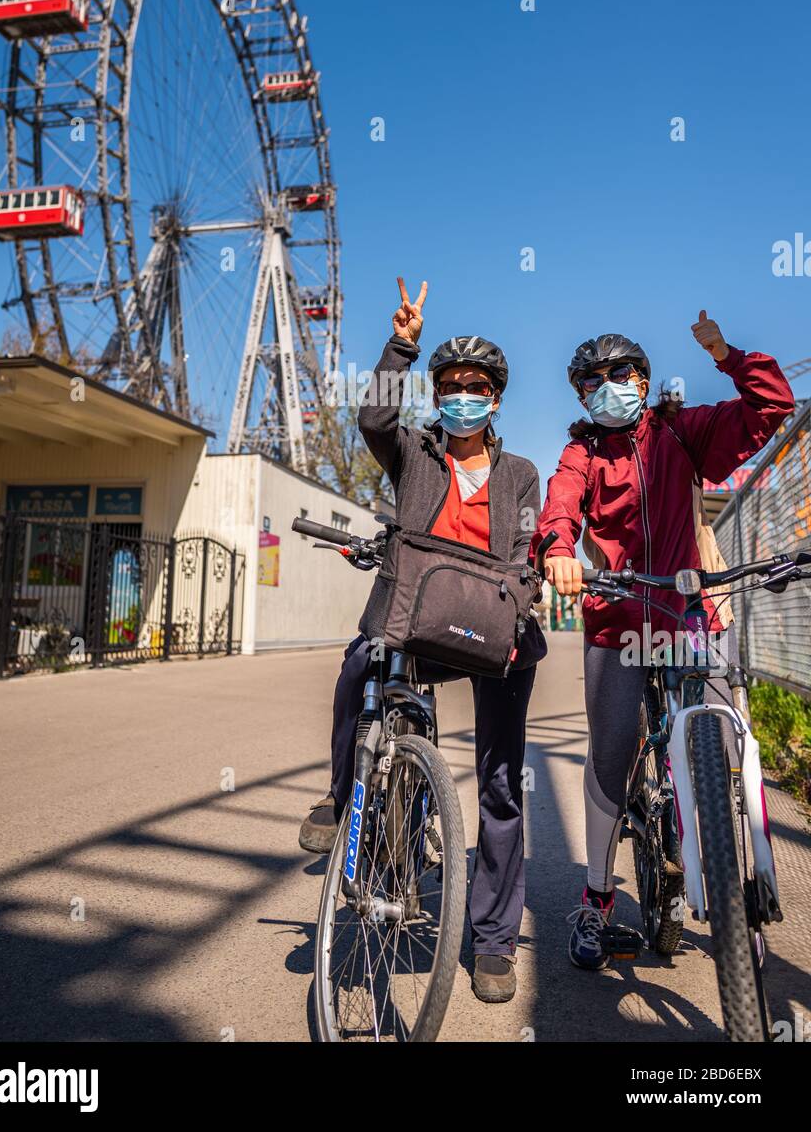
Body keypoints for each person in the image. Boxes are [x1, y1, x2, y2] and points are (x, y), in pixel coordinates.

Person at [299, 277, 546, 1002]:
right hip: (414, 614)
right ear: (437, 394)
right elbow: (374, 416)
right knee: (358, 670)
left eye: (476, 386)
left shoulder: (521, 474)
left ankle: (493, 941)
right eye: (450, 385)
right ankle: (342, 797)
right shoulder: (413, 454)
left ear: (496, 399)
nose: (461, 395)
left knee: (502, 785)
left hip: (494, 625)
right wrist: (401, 345)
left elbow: (529, 547)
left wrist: (534, 578)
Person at [529, 311, 794, 970]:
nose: (608, 385)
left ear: (644, 379)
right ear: (581, 395)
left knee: (727, 734)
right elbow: (559, 507)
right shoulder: (582, 452)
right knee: (612, 755)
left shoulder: (680, 429)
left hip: (682, 614)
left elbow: (771, 407)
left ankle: (739, 865)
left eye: (621, 372)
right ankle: (595, 900)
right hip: (617, 622)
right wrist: (558, 548)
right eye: (593, 379)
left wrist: (727, 355)